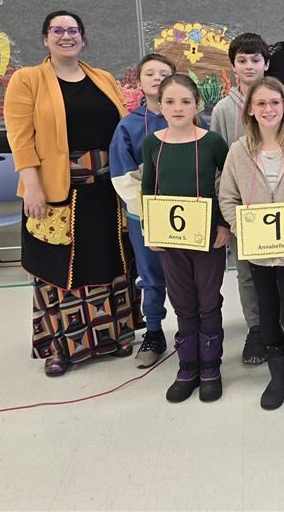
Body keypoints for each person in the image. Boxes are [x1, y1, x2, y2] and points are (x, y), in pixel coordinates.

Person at [5, 10, 143, 377]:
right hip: (57, 193)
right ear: (46, 38)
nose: (66, 36)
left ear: (83, 37)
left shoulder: (102, 78)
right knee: (61, 267)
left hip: (105, 192)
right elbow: (20, 137)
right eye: (57, 30)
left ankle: (112, 337)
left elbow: (122, 130)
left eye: (73, 30)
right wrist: (31, 185)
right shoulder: (27, 79)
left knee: (112, 263)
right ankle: (61, 348)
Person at [219, 76, 284, 410]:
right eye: (260, 103)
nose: (268, 109)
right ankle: (277, 375)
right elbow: (228, 198)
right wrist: (243, 229)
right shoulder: (238, 151)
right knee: (267, 311)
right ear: (249, 109)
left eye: (275, 102)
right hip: (256, 250)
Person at [141, 74, 230, 403]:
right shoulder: (153, 143)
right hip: (170, 240)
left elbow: (229, 184)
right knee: (182, 304)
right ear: (159, 104)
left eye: (185, 101)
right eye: (170, 101)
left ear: (197, 104)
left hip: (207, 239)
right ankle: (187, 365)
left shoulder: (211, 142)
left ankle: (211, 366)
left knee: (208, 303)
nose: (178, 108)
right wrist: (151, 229)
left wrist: (223, 225)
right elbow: (148, 188)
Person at [211, 32, 284, 365]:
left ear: (267, 63)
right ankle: (257, 330)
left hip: (283, 212)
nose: (249, 66)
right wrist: (228, 214)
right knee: (247, 274)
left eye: (255, 59)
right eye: (242, 60)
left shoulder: (282, 104)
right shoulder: (222, 110)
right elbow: (218, 166)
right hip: (245, 214)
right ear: (233, 66)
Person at [109, 52, 176, 368]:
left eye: (165, 72)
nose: (157, 77)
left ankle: (198, 330)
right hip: (144, 216)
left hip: (188, 213)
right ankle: (153, 332)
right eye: (151, 73)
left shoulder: (188, 119)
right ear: (140, 80)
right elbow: (122, 175)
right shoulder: (128, 126)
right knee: (151, 275)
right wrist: (149, 209)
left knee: (194, 274)